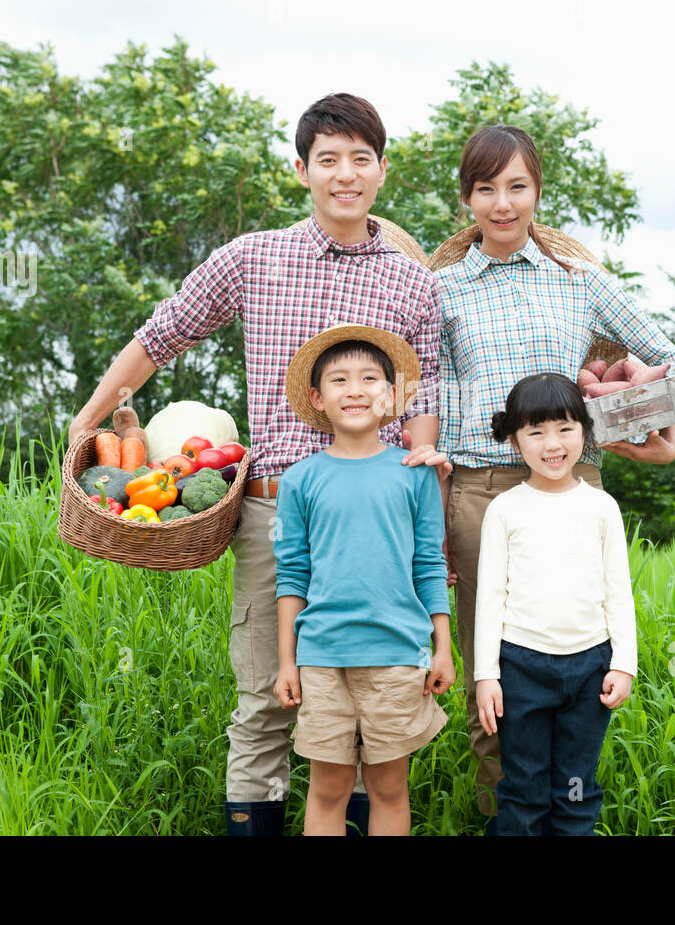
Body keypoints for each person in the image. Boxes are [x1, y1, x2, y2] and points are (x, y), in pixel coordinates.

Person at [66, 93, 451, 836]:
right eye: (329, 160)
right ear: (302, 169)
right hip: (278, 514)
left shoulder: (413, 280)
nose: (346, 175)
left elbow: (422, 387)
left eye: (361, 160)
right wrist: (90, 417)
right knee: (269, 697)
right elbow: (165, 331)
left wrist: (421, 471)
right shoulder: (254, 258)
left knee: (375, 703)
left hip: (380, 512)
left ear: (381, 170)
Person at [413, 124, 675, 823]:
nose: (502, 203)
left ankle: (569, 805)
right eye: (486, 189)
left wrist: (657, 439)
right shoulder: (440, 291)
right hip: (481, 491)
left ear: (538, 190)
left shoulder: (581, 282)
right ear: (467, 197)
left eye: (517, 186)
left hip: (574, 493)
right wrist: (436, 514)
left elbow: (668, 362)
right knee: (495, 667)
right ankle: (505, 815)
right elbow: (431, 404)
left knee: (577, 644)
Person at [272, 324, 454, 835]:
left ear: (392, 395)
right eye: (339, 380)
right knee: (328, 789)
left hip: (399, 655)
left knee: (389, 788)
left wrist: (442, 647)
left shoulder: (414, 471)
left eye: (371, 378)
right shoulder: (300, 479)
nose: (355, 390)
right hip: (323, 657)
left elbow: (429, 564)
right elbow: (292, 575)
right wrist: (288, 661)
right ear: (317, 397)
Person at [474, 372, 635, 835]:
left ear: (584, 431)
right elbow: (489, 598)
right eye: (536, 431)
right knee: (523, 786)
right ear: (514, 439)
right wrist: (487, 675)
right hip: (520, 667)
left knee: (577, 784)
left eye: (565, 428)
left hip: (590, 668)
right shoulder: (505, 509)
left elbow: (617, 590)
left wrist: (624, 664)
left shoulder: (602, 506)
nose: (552, 444)